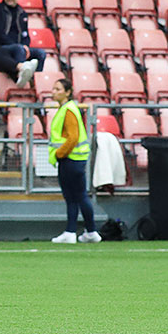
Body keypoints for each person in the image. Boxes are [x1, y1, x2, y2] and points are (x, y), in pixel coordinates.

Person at [48, 78, 100, 244]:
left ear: (67, 92)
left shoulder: (68, 110)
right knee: (76, 196)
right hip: (74, 159)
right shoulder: (67, 109)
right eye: (53, 89)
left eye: (57, 89)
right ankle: (82, 231)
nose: (53, 92)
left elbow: (73, 137)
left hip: (70, 159)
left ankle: (81, 231)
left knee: (75, 196)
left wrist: (59, 154)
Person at [0, 0, 46, 80]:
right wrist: (20, 46)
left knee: (41, 53)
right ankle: (19, 77)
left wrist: (25, 46)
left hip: (19, 48)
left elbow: (25, 35)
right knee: (19, 49)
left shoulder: (22, 12)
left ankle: (34, 81)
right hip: (1, 47)